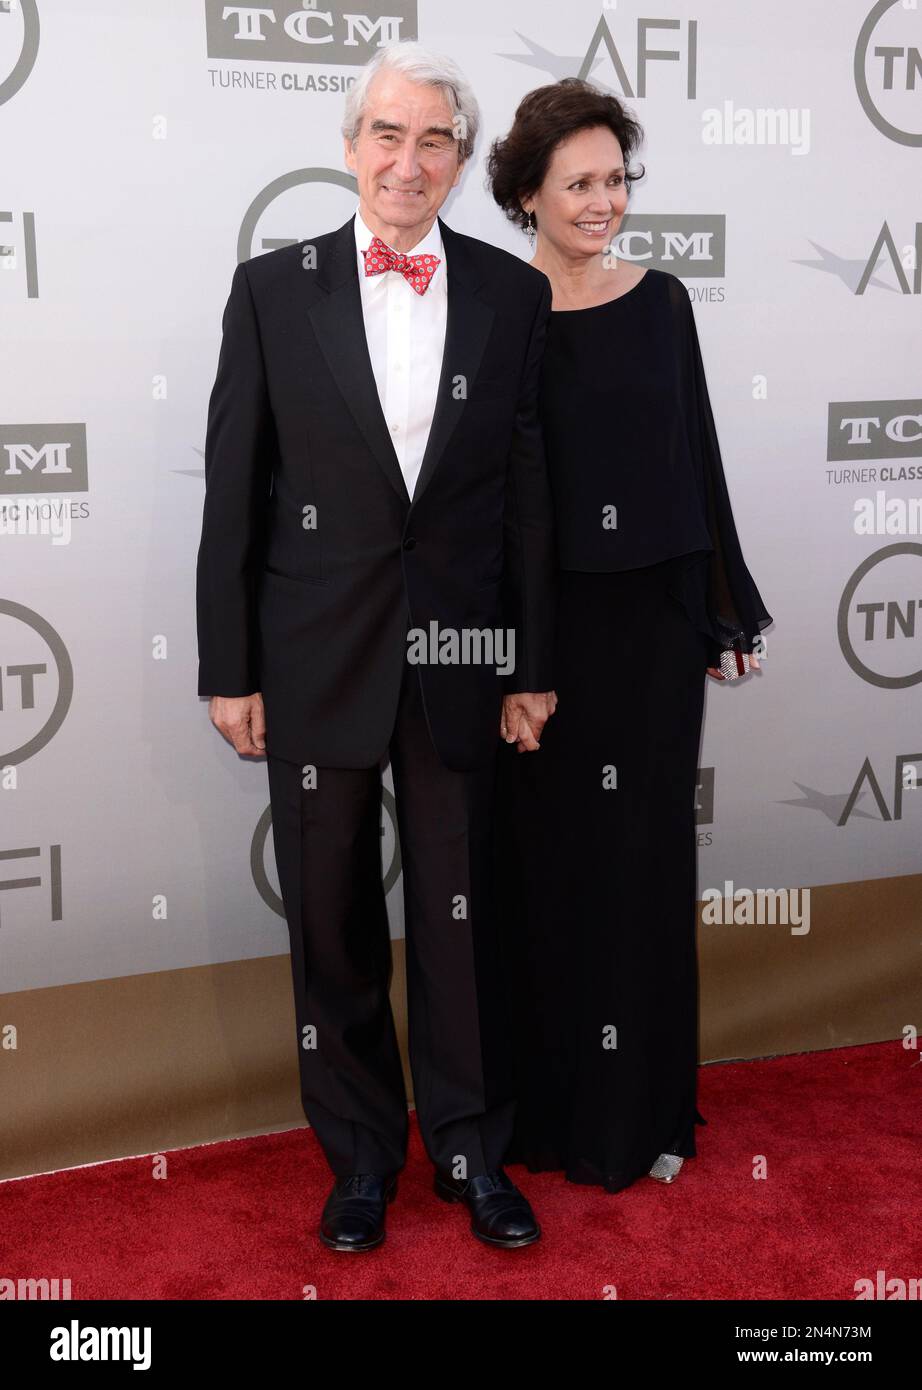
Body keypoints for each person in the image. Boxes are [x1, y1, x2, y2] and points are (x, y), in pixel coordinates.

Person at [196, 42, 557, 1251]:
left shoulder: (512, 295)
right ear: (352, 148)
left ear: (460, 161)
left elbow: (526, 491)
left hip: (462, 658)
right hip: (314, 656)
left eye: (436, 141)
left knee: (463, 922)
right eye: (388, 137)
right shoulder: (270, 289)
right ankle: (359, 1160)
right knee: (333, 919)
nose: (410, 162)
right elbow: (234, 488)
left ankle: (470, 1151)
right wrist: (226, 665)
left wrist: (529, 661)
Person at [487, 78, 773, 1194]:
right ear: (525, 193)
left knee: (643, 866)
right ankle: (546, 1116)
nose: (603, 201)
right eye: (579, 183)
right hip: (543, 637)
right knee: (542, 872)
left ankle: (641, 1111)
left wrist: (721, 598)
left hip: (650, 625)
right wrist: (507, 652)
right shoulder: (496, 312)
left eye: (615, 179)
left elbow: (693, 455)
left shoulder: (661, 302)